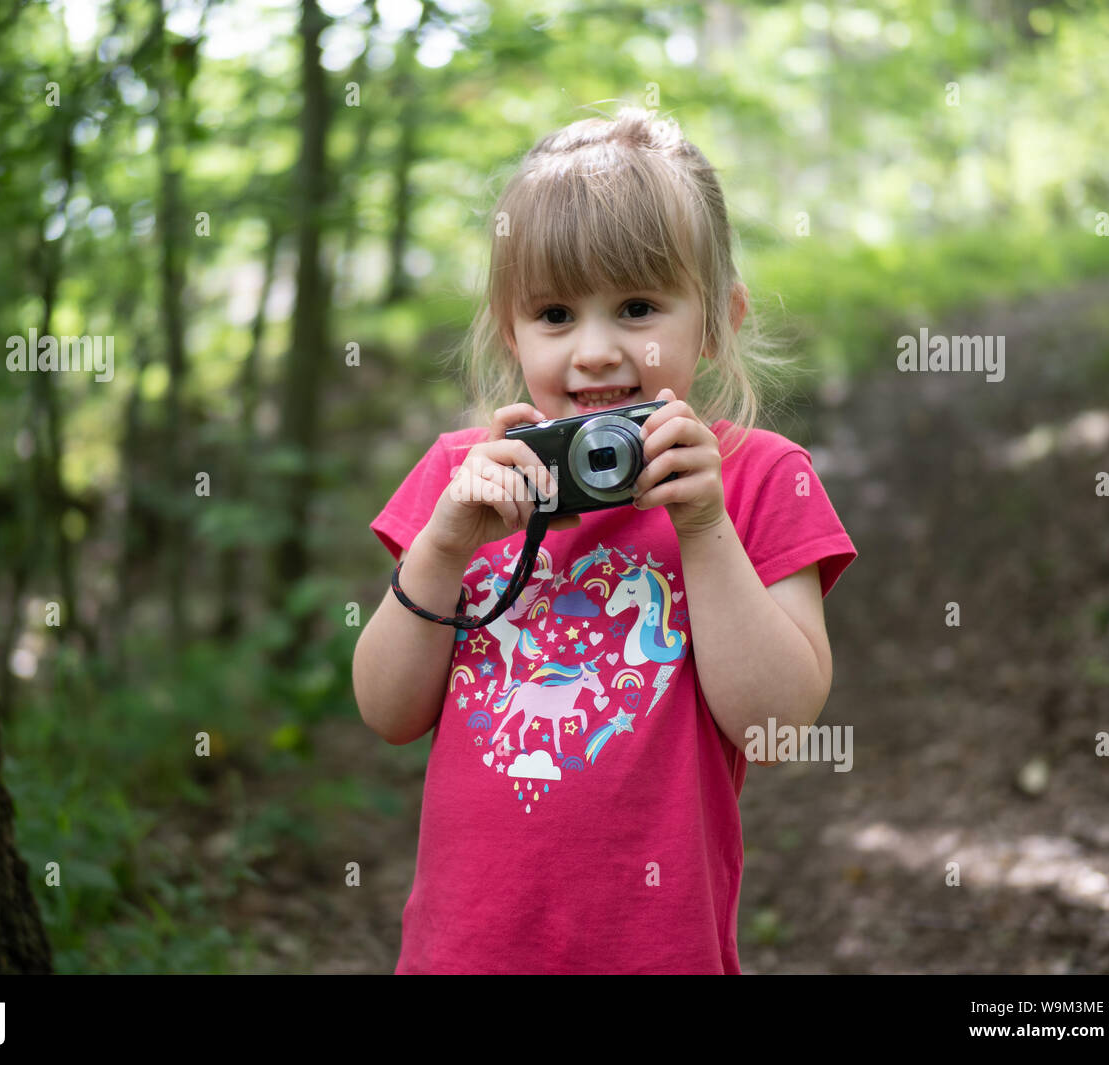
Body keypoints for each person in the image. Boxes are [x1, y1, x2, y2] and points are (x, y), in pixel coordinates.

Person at [352, 106, 857, 974]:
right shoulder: (463, 475)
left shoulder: (756, 476)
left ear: (718, 320)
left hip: (657, 952)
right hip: (466, 953)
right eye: (554, 313)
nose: (593, 350)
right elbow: (388, 711)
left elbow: (777, 727)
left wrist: (702, 525)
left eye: (636, 307)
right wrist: (440, 549)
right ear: (510, 330)